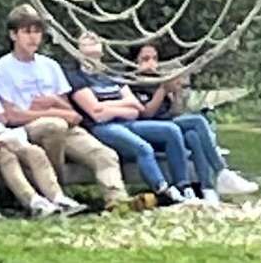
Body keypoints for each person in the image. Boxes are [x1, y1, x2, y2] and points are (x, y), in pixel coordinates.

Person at [0, 4, 128, 210]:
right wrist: (52, 111)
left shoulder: (50, 66)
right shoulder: (0, 69)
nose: (33, 37)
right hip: (26, 130)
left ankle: (118, 203)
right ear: (13, 35)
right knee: (54, 125)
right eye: (26, 32)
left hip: (63, 126)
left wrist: (53, 102)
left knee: (105, 154)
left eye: (37, 32)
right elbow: (11, 115)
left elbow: (70, 112)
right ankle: (55, 194)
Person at [0, 34, 85, 218]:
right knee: (7, 158)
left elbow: (2, 117)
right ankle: (33, 202)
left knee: (35, 153)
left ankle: (57, 197)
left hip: (2, 132)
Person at [63, 31, 195, 208]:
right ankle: (163, 191)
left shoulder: (110, 75)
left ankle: (184, 187)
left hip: (125, 122)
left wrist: (109, 106)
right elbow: (96, 114)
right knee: (143, 148)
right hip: (101, 128)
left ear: (102, 51)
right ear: (78, 51)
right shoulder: (76, 77)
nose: (91, 39)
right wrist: (121, 106)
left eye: (95, 39)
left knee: (171, 131)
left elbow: (137, 108)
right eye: (85, 40)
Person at [128, 41, 257, 204]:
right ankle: (222, 171)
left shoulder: (158, 80)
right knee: (197, 121)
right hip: (148, 130)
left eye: (155, 58)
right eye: (145, 59)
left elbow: (174, 112)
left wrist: (174, 93)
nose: (152, 63)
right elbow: (146, 114)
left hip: (169, 126)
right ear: (134, 63)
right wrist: (162, 90)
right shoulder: (132, 85)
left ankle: (207, 190)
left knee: (192, 136)